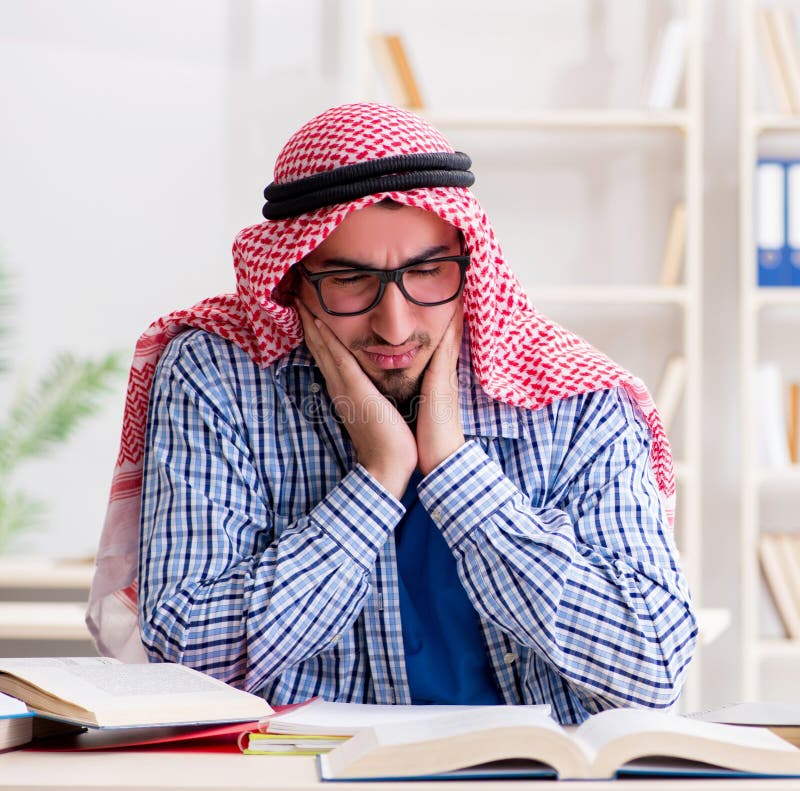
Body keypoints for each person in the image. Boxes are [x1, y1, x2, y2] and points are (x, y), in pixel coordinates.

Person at [87, 103, 697, 725]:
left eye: (428, 272)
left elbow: (652, 666)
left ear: (469, 264)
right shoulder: (219, 376)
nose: (394, 324)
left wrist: (458, 474)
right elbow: (184, 662)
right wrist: (378, 479)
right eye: (352, 281)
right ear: (290, 282)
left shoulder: (578, 399)